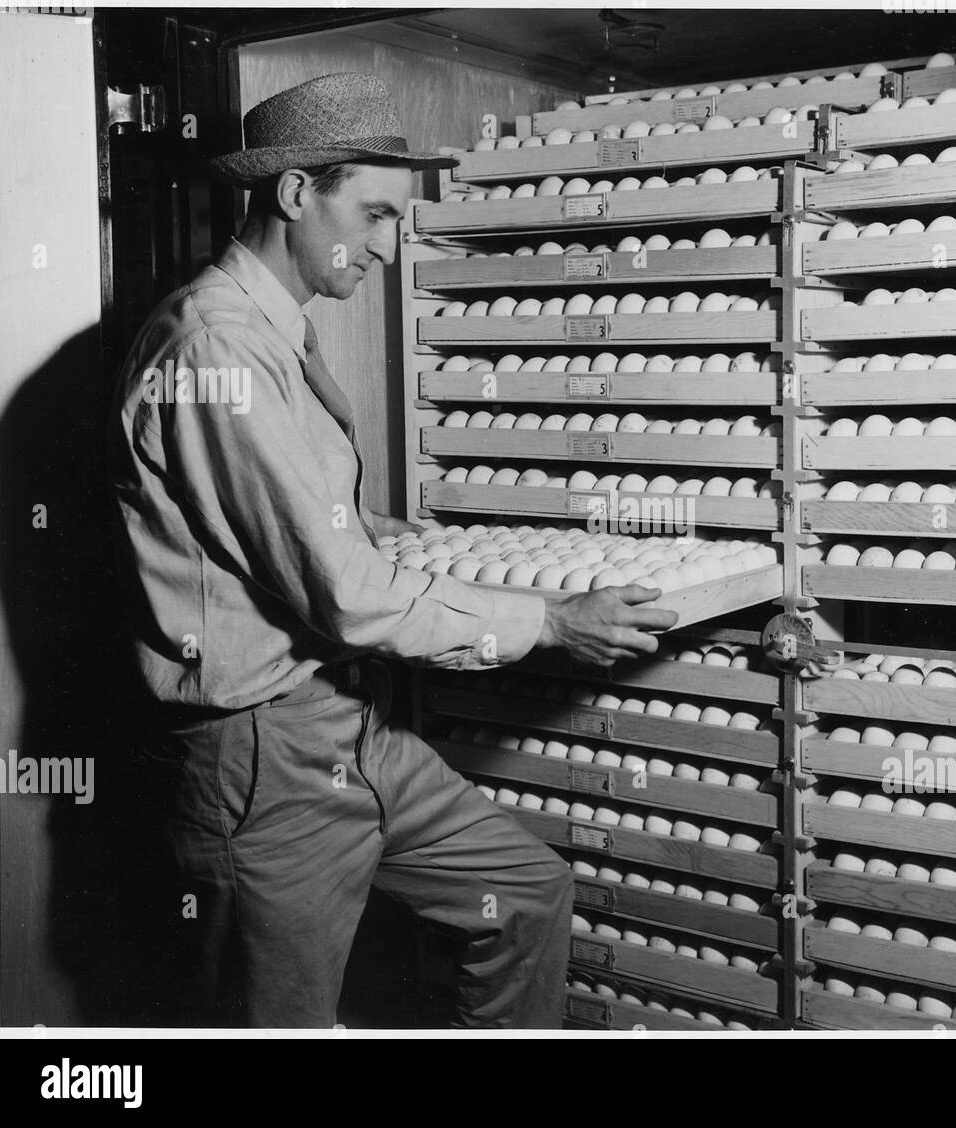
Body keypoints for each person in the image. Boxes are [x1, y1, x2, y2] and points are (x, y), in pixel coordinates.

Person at [107, 72, 677, 1028]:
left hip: (347, 727)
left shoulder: (271, 333)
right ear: (295, 194)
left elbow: (259, 517)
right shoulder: (219, 349)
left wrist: (370, 530)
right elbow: (340, 596)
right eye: (371, 215)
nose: (386, 245)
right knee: (277, 1021)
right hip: (263, 762)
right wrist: (547, 622)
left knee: (528, 898)